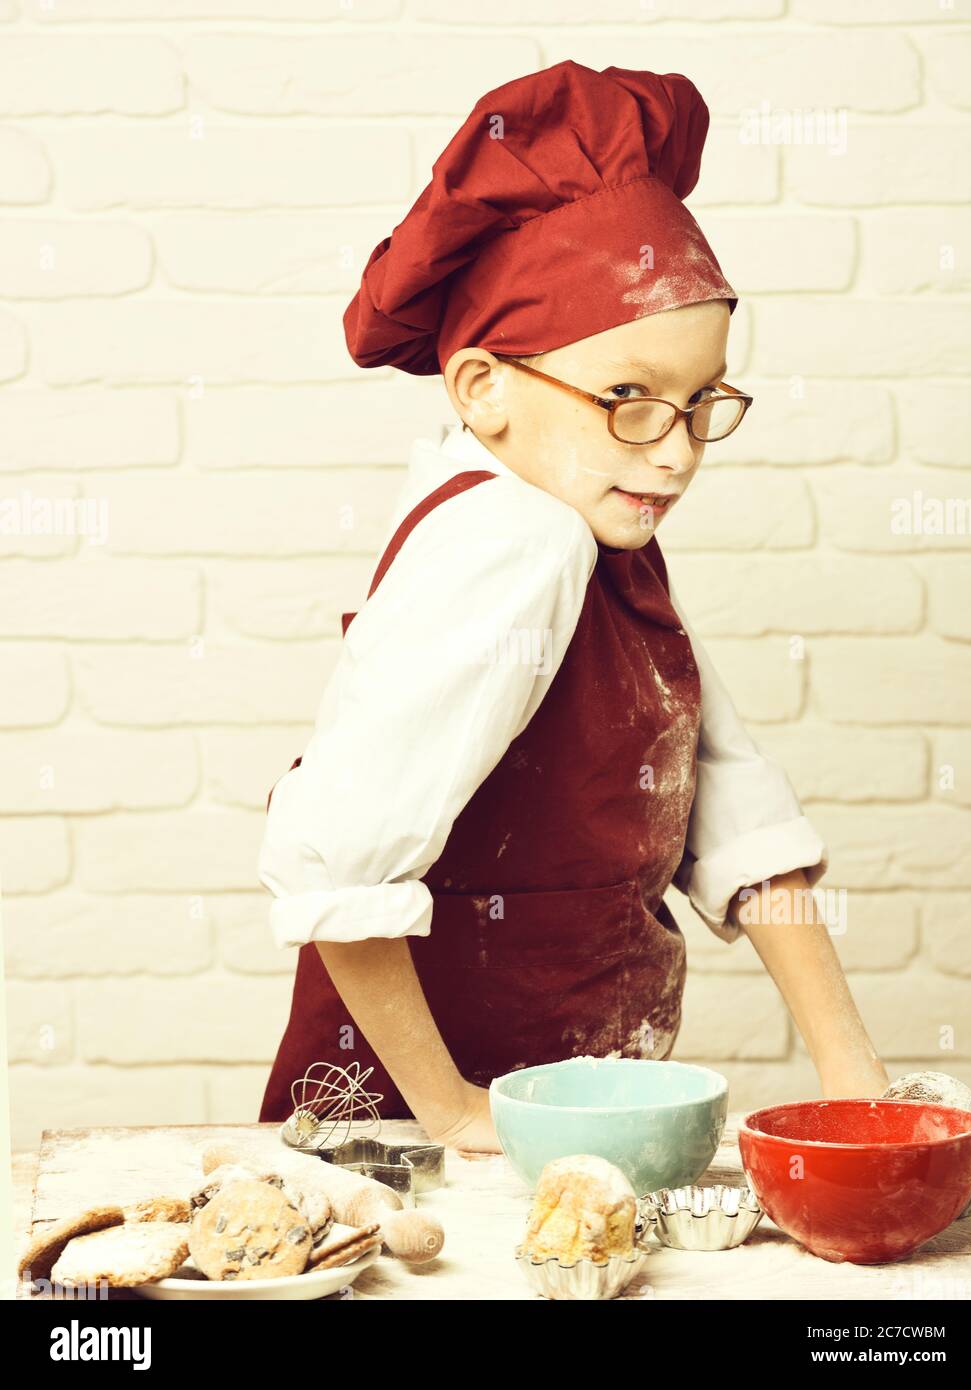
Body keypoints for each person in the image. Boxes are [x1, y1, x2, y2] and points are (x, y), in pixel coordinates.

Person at [256, 60, 894, 1156]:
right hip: (418, 1142)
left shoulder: (600, 527)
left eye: (702, 403)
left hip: (559, 1113)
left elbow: (729, 802)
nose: (680, 450)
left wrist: (859, 1087)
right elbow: (337, 857)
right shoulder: (521, 537)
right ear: (482, 387)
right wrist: (453, 1110)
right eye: (629, 398)